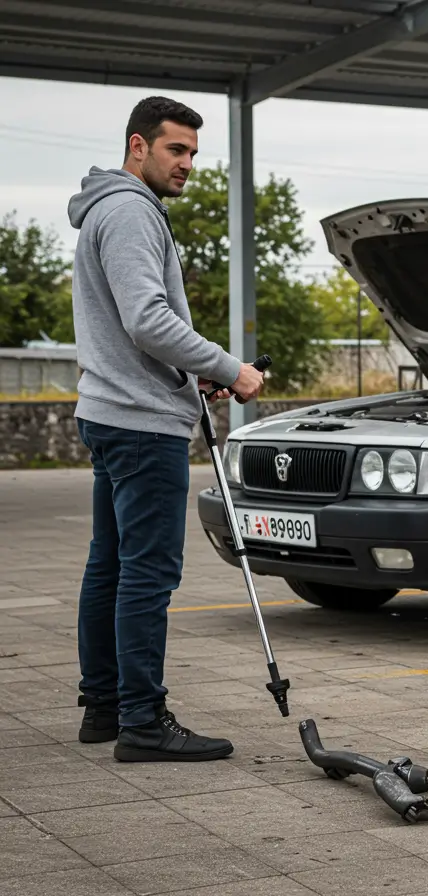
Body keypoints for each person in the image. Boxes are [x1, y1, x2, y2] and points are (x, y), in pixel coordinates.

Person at [67, 96, 265, 762]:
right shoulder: (130, 212)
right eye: (175, 149)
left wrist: (190, 374)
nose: (186, 164)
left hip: (111, 410)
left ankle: (104, 706)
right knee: (148, 573)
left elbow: (137, 329)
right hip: (140, 424)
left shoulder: (108, 208)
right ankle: (143, 722)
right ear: (138, 146)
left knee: (110, 565)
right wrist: (229, 368)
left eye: (193, 153)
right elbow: (147, 320)